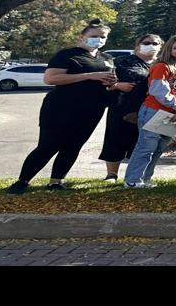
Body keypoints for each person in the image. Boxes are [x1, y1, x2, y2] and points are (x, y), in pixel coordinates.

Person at [7, 19, 120, 193]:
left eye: (102, 36)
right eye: (94, 36)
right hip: (61, 109)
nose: (98, 39)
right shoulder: (68, 55)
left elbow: (107, 82)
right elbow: (50, 79)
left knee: (73, 146)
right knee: (48, 145)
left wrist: (112, 82)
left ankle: (56, 182)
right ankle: (22, 182)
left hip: (92, 110)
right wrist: (90, 75)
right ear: (82, 37)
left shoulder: (107, 58)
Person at [121, 35, 176, 189]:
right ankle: (132, 180)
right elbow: (158, 90)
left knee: (158, 149)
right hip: (154, 110)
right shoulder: (161, 66)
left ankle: (145, 178)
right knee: (146, 147)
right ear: (169, 49)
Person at [98, 33, 160, 181]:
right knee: (115, 140)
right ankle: (111, 174)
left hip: (150, 108)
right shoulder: (121, 61)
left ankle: (138, 175)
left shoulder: (161, 64)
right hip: (122, 107)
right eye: (146, 43)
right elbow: (104, 82)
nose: (151, 46)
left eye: (155, 43)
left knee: (143, 142)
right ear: (137, 45)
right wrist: (117, 85)